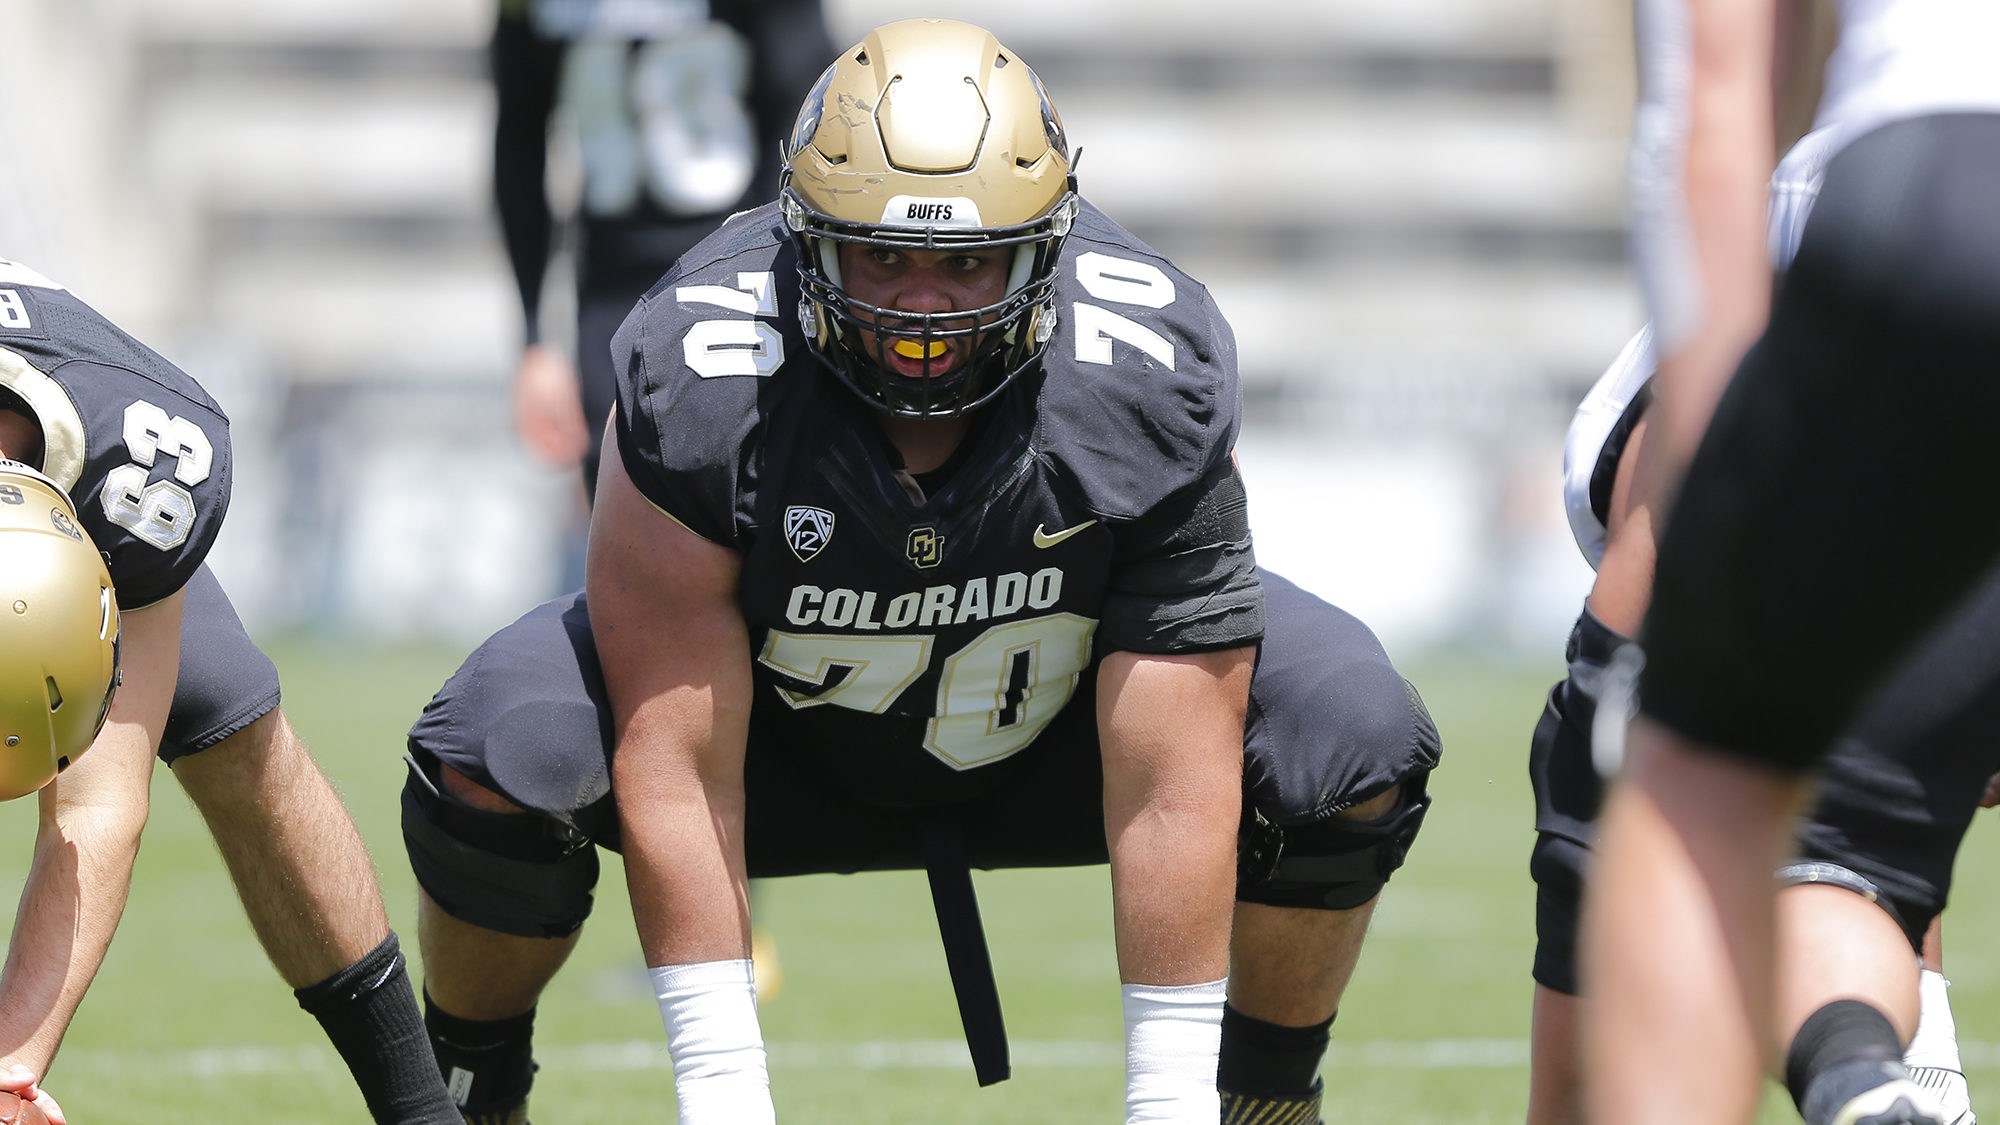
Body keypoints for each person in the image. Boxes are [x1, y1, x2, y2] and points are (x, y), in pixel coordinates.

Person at [400, 20, 1442, 1125]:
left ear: (1046, 249)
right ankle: (471, 1085)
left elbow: (1174, 766)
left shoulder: (1140, 372)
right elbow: (678, 762)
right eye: (883, 255)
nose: (922, 306)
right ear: (806, 243)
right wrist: (723, 1101)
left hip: (1053, 736)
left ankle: (1261, 1101)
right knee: (498, 745)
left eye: (964, 262)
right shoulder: (702, 371)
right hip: (779, 745)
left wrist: (1165, 1104)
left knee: (1349, 726)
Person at [1580, 0, 2000, 1121]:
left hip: (1950, 175)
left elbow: (1710, 104)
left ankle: (1866, 1083)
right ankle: (1885, 1080)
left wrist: (1720, 495)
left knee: (1705, 783)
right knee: (1857, 825)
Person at [0, 258, 462, 1125]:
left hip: (86, 479)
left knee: (230, 719)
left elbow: (95, 807)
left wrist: (9, 1065)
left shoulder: (127, 452)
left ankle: (422, 1112)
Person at [1527, 323, 1987, 1125]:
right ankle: (1895, 1074)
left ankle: (1865, 1072)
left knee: (1610, 803)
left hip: (1776, 414)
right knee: (1869, 837)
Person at [493, 0, 834, 495]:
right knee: (623, 514)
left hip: (748, 274)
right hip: (613, 289)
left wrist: (782, 269)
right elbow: (520, 141)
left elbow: (804, 112)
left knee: (764, 497)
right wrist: (536, 342)